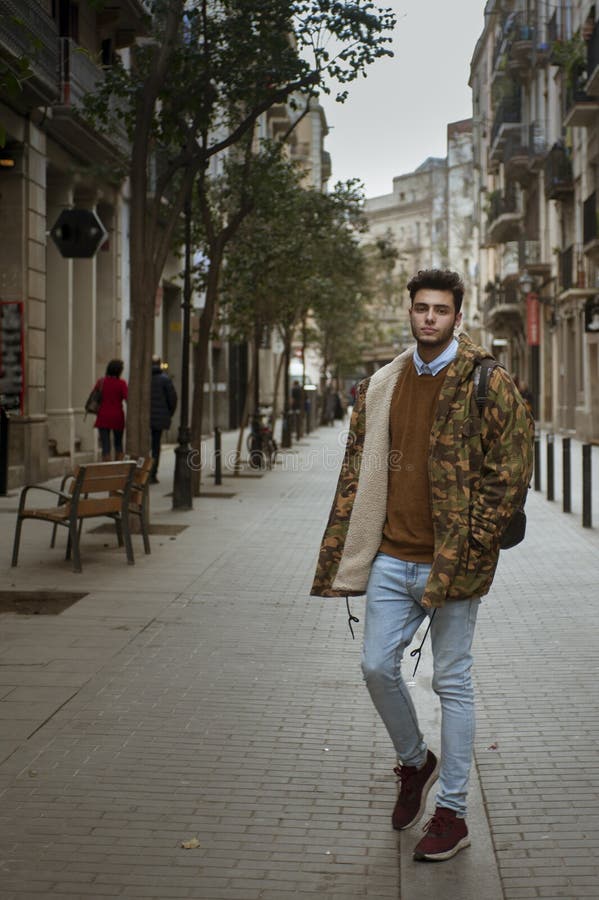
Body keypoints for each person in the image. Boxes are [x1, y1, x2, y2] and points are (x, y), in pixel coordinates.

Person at [311, 269, 533, 862]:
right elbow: (364, 468)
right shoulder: (384, 383)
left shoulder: (488, 380)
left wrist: (475, 542)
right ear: (408, 312)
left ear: (457, 317)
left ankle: (453, 813)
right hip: (391, 554)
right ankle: (416, 761)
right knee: (377, 667)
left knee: (451, 681)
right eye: (421, 308)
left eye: (441, 309)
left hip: (454, 561)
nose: (430, 317)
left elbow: (511, 470)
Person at [150, 356, 177, 483]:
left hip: (146, 419)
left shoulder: (144, 379)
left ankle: (144, 473)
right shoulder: (165, 379)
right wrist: (168, 414)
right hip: (159, 419)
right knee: (156, 446)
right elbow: (173, 399)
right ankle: (153, 473)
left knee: (147, 446)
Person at [93, 359, 128, 461]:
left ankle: (107, 467)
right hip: (117, 416)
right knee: (118, 443)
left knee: (105, 445)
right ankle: (119, 467)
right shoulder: (122, 383)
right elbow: (127, 398)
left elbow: (95, 396)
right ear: (119, 371)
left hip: (103, 415)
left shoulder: (101, 382)